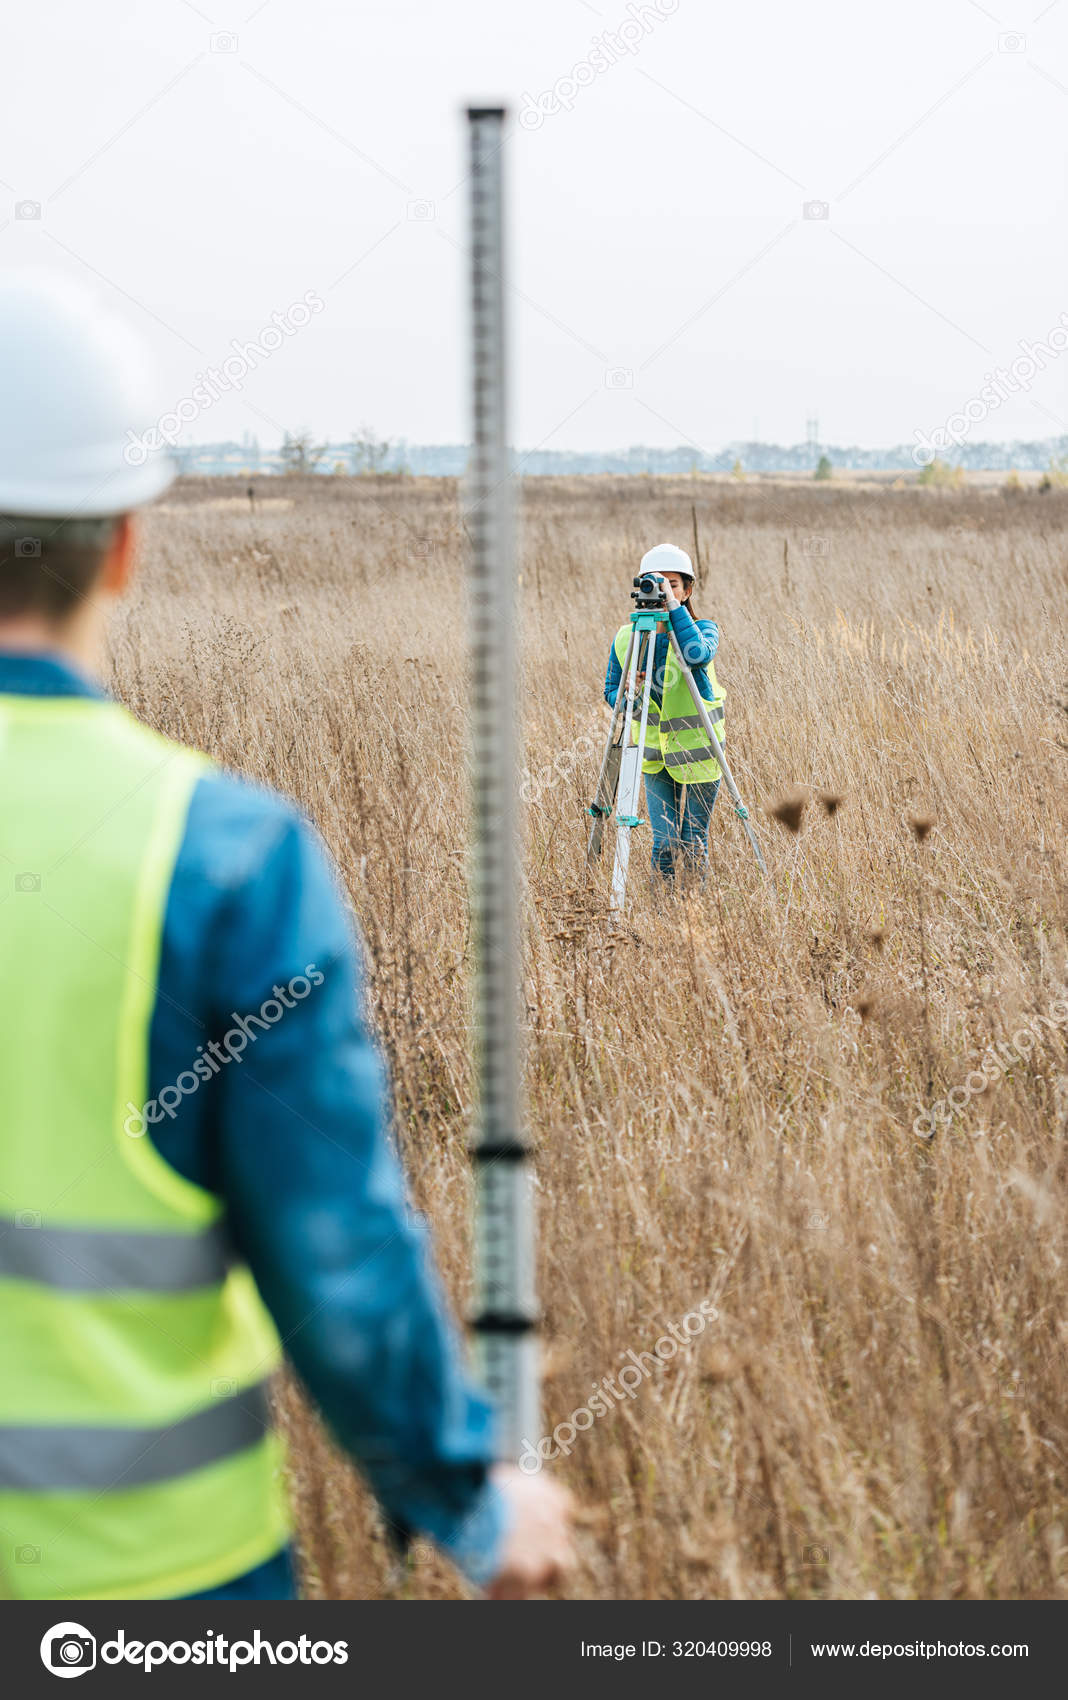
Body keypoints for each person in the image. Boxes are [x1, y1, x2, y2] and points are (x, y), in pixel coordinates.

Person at [0, 272, 572, 1602]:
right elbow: (334, 1247)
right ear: (128, 544)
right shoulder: (223, 860)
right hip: (162, 1591)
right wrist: (464, 1492)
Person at [603, 543, 725, 883]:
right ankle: (664, 910)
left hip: (700, 753)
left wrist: (672, 609)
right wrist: (628, 692)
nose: (663, 590)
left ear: (688, 591)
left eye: (672, 584)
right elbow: (610, 691)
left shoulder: (706, 629)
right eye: (655, 583)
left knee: (693, 840)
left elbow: (697, 654)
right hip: (654, 754)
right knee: (665, 842)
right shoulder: (628, 637)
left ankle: (694, 909)